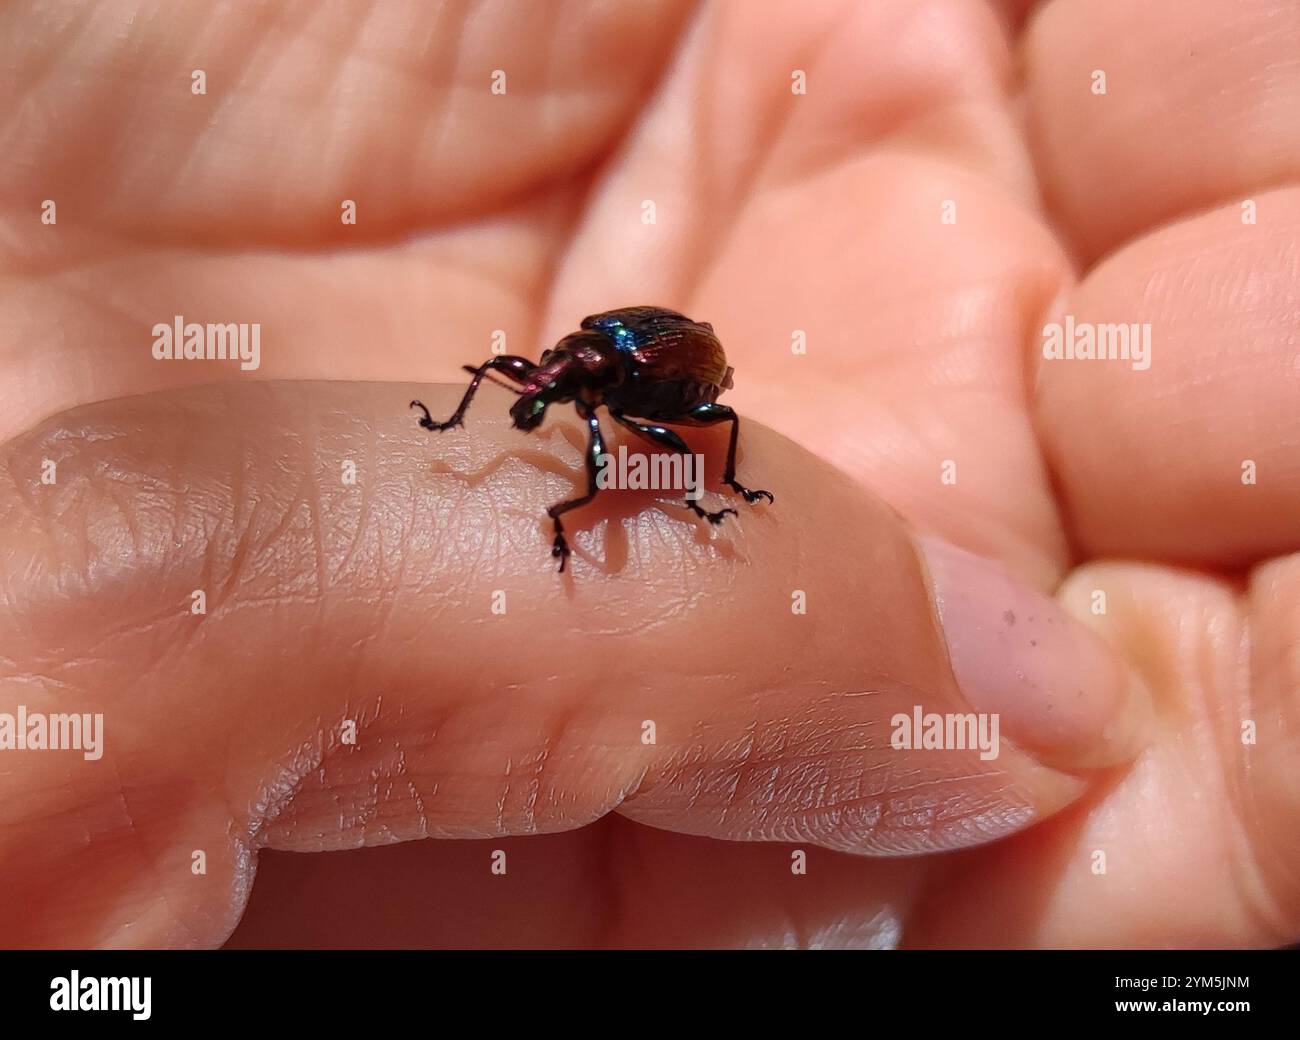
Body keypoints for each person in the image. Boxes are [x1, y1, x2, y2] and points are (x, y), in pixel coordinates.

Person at [0, 0, 1296, 948]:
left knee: (692, 468)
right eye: (547, 389)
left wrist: (647, 502)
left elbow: (689, 423)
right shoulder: (564, 371)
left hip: (689, 376)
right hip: (642, 352)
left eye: (555, 390)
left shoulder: (638, 400)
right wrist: (474, 425)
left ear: (587, 380)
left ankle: (721, 498)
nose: (548, 399)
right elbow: (522, 385)